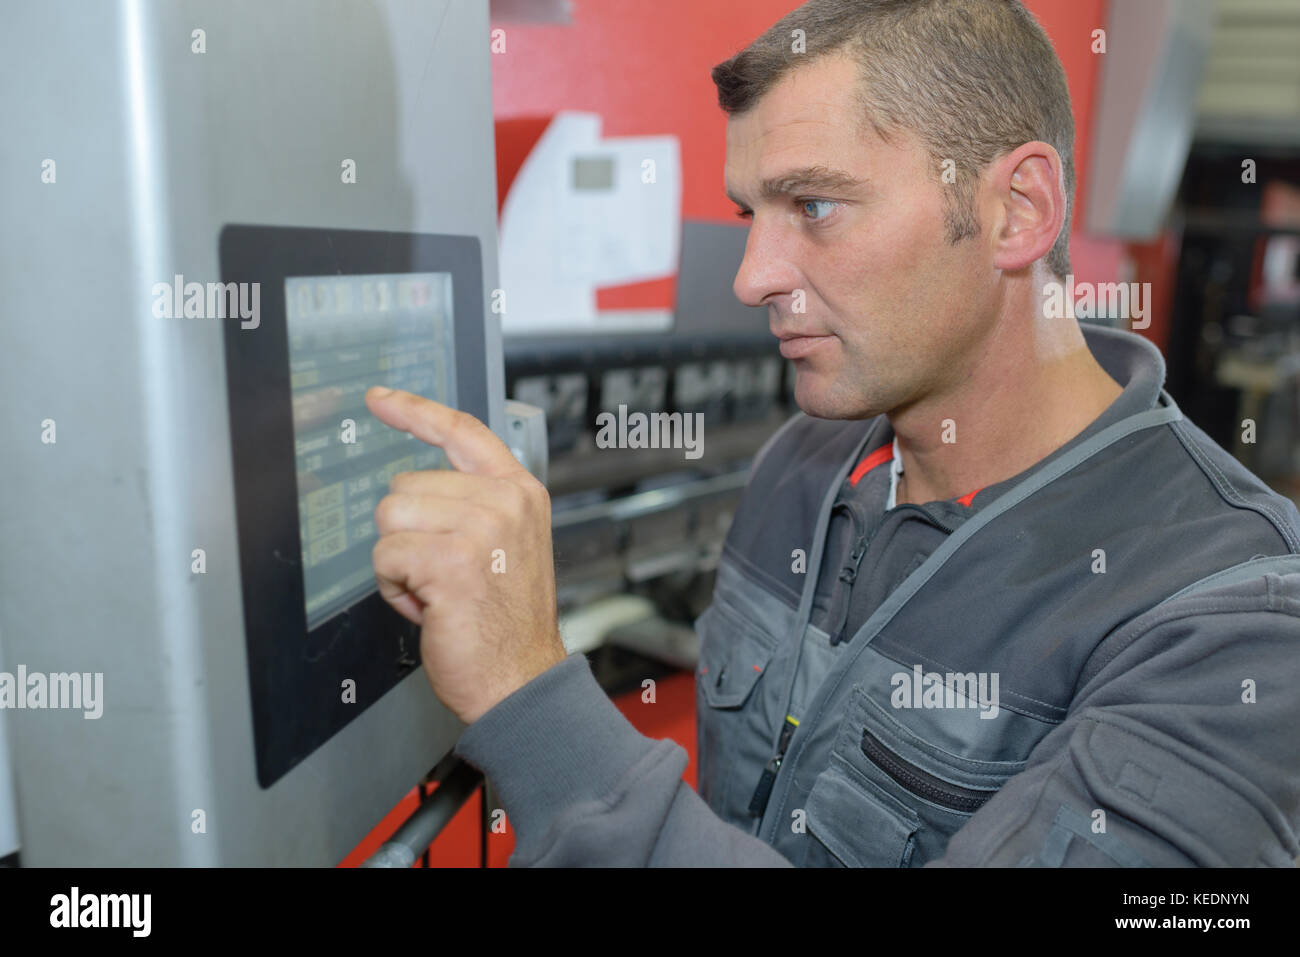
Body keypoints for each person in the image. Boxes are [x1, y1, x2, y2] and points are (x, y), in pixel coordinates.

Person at [364, 0, 1300, 866]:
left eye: (814, 205)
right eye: (750, 214)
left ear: (1018, 210)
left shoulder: (1233, 625)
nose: (752, 277)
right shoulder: (803, 464)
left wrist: (534, 701)